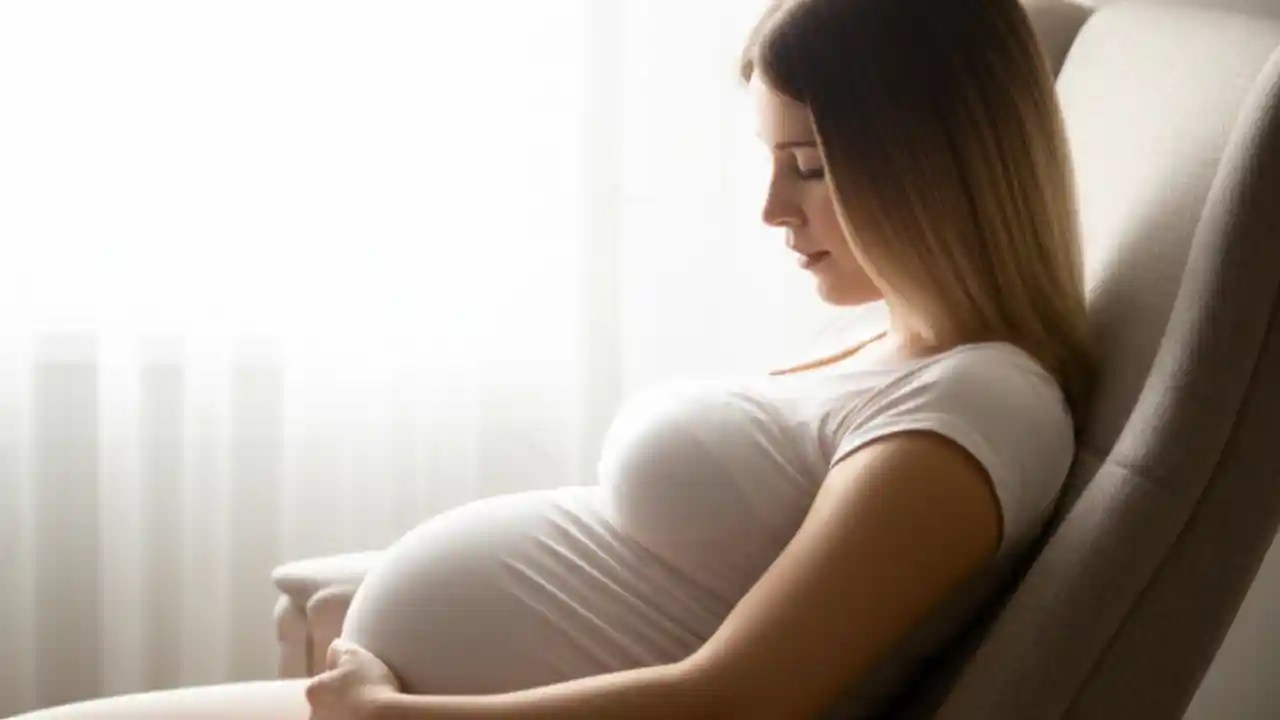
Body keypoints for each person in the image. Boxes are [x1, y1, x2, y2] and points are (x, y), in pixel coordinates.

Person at [19, 0, 1095, 718]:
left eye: (808, 166)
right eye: (773, 162)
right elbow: (682, 569)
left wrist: (408, 717)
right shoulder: (889, 343)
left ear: (932, 159)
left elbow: (744, 697)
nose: (771, 209)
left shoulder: (977, 410)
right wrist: (379, 586)